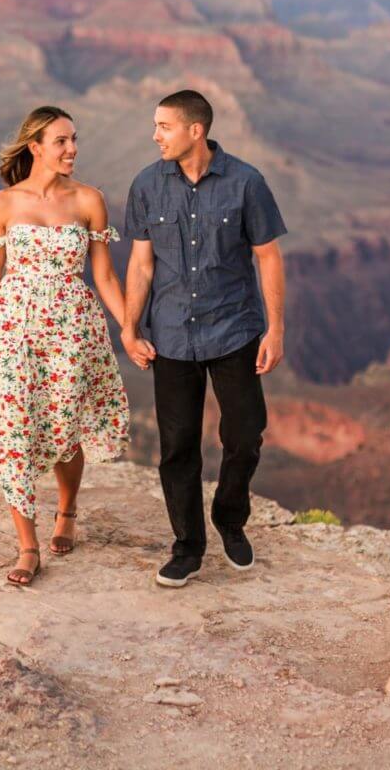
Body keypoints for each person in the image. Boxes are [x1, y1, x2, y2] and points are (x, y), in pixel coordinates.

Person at [120, 89, 287, 588]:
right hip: (172, 334)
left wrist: (276, 328)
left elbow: (268, 258)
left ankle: (230, 519)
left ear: (195, 131)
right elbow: (141, 264)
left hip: (234, 328)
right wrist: (129, 328)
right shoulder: (146, 185)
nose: (155, 136)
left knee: (245, 434)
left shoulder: (247, 183)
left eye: (164, 126)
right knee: (177, 446)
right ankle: (187, 546)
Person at [0, 105, 132, 586]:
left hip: (73, 329)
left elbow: (104, 275)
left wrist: (129, 329)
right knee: (13, 429)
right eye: (61, 141)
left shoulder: (89, 200)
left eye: (74, 139)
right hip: (12, 331)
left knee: (64, 423)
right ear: (35, 147)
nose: (72, 149)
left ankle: (67, 510)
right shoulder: (2, 204)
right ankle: (27, 546)